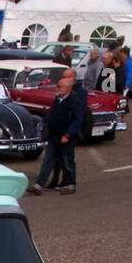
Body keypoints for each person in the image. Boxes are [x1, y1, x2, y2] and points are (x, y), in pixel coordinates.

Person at [28, 68, 84, 196]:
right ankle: (39, 185)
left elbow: (77, 120)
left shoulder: (75, 101)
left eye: (59, 87)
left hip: (66, 137)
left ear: (67, 88)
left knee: (68, 162)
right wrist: (43, 129)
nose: (57, 89)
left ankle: (70, 185)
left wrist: (68, 134)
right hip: (53, 136)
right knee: (48, 161)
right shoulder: (57, 100)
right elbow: (51, 115)